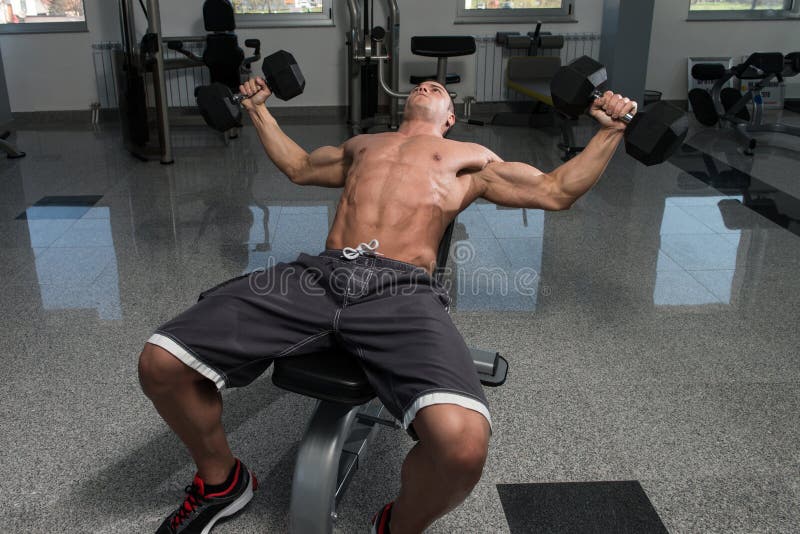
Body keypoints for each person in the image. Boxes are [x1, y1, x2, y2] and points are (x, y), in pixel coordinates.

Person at [138, 78, 637, 534]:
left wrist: (610, 132)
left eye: (440, 88)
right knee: (161, 361)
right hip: (321, 273)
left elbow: (556, 191)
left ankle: (398, 527)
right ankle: (222, 481)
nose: (428, 82)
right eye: (420, 83)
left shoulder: (469, 157)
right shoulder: (365, 144)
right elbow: (297, 166)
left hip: (401, 289)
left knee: (462, 447)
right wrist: (258, 110)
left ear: (449, 118)